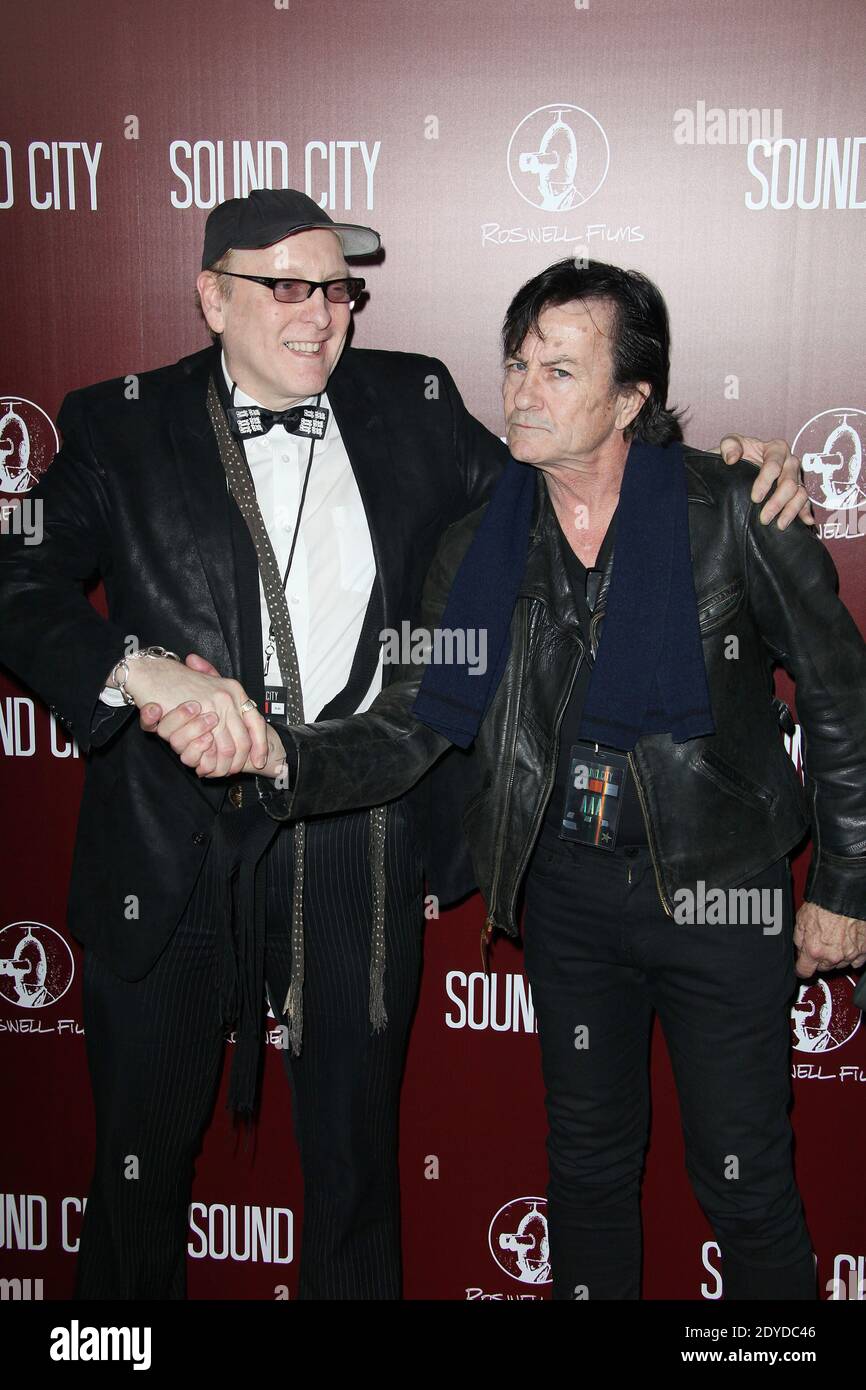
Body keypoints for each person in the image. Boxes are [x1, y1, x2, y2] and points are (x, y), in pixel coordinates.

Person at [0, 203, 806, 1301]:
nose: (320, 313)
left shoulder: (412, 402)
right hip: (166, 843)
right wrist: (132, 669)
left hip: (352, 833)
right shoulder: (114, 424)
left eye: (336, 289)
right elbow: (17, 582)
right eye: (286, 287)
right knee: (135, 1175)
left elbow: (571, 469)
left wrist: (740, 470)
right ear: (210, 296)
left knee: (354, 1180)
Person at [170, 259, 866, 1301]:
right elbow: (410, 723)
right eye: (515, 364)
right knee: (583, 1174)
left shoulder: (729, 513)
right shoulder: (483, 547)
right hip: (570, 895)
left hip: (720, 891)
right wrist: (280, 752)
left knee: (743, 1181)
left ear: (630, 397)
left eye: (557, 370)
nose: (521, 392)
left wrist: (841, 887)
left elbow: (838, 694)